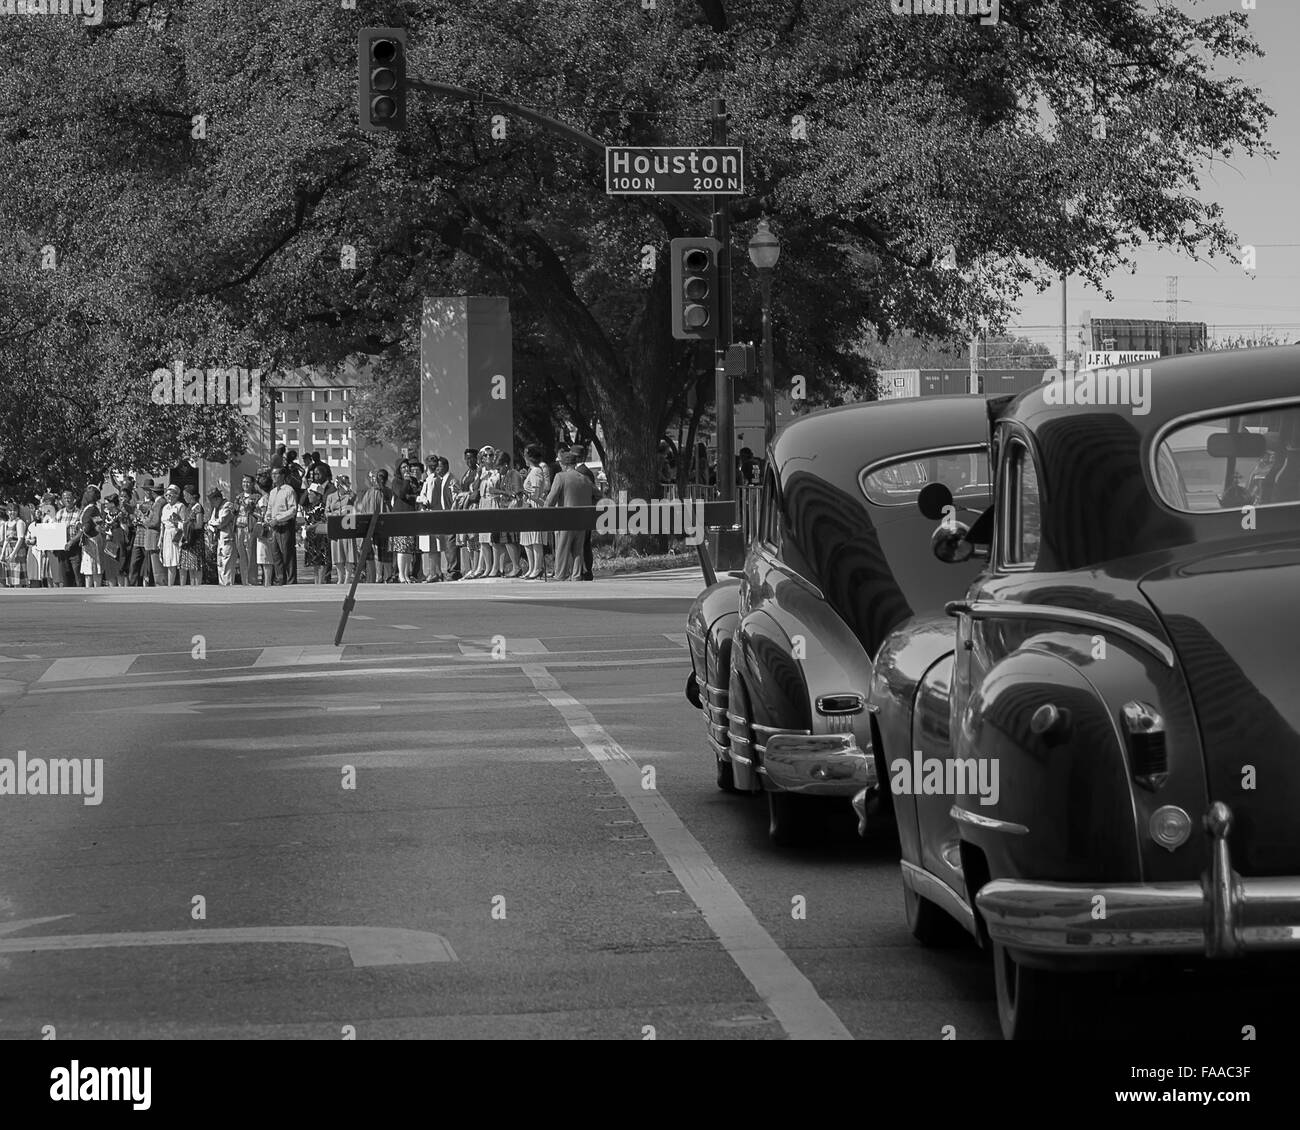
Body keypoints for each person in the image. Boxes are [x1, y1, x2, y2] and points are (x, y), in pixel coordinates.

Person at [546, 448, 596, 581]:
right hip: (582, 520)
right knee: (578, 550)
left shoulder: (560, 477)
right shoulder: (585, 478)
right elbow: (599, 495)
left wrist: (545, 513)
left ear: (563, 464)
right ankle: (576, 575)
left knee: (562, 548)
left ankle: (560, 575)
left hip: (565, 519)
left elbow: (551, 500)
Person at [488, 449, 524, 577]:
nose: (498, 471)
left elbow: (516, 493)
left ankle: (516, 566)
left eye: (499, 468)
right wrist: (503, 492)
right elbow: (492, 490)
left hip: (512, 510)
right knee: (506, 539)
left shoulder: (514, 474)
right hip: (504, 509)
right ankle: (514, 566)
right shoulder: (503, 477)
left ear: (506, 465)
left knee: (511, 540)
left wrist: (504, 493)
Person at [418, 457, 453, 582]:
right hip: (433, 512)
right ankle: (436, 571)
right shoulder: (432, 479)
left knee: (432, 545)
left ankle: (434, 572)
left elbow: (431, 499)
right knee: (434, 545)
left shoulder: (433, 480)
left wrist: (422, 500)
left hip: (431, 512)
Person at [519, 444, 551, 580]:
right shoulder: (531, 471)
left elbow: (537, 493)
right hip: (528, 506)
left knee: (535, 539)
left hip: (534, 506)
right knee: (527, 539)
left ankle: (537, 567)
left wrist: (524, 492)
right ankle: (531, 567)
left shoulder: (536, 471)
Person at [465, 445, 498, 578]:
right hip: (483, 503)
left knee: (494, 539)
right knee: (483, 539)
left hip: (493, 502)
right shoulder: (481, 471)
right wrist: (479, 474)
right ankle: (486, 568)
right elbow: (475, 488)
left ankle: (496, 567)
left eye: (491, 455)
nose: (488, 457)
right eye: (485, 455)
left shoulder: (497, 471)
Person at [265, 466, 300, 585]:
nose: (273, 476)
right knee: (276, 554)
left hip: (285, 525)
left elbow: (293, 509)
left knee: (287, 554)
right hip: (274, 526)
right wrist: (267, 518)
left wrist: (278, 519)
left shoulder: (288, 490)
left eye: (276, 474)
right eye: (272, 474)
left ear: (283, 476)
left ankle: (290, 580)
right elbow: (269, 508)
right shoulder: (273, 492)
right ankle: (280, 579)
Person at [128, 479, 163, 586]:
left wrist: (144, 520)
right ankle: (132, 585)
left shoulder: (155, 503)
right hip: (139, 536)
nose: (148, 492)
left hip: (148, 535)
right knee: (134, 563)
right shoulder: (139, 502)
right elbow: (134, 515)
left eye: (150, 490)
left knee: (147, 566)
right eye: (146, 490)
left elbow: (154, 520)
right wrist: (134, 519)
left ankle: (148, 584)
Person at [570, 445, 598, 580]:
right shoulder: (584, 471)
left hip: (583, 512)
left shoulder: (582, 472)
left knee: (584, 543)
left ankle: (586, 570)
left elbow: (593, 493)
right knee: (584, 543)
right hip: (585, 511)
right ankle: (584, 570)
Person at [452, 448, 478, 578]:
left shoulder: (478, 472)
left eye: (471, 458)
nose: (469, 460)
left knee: (475, 538)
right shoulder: (467, 473)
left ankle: (477, 567)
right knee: (468, 540)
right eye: (467, 458)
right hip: (465, 507)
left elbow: (475, 492)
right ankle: (471, 567)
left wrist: (465, 495)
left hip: (474, 507)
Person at [326, 475, 357, 584]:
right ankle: (340, 578)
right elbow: (326, 513)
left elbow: (354, 497)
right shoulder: (331, 497)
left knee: (349, 553)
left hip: (348, 525)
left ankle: (348, 578)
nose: (346, 485)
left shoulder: (350, 496)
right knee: (337, 554)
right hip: (336, 526)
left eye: (347, 483)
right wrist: (336, 514)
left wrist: (347, 489)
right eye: (344, 483)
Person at [301, 483, 331, 584]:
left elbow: (323, 520)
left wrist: (311, 527)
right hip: (311, 537)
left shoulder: (322, 507)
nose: (309, 496)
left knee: (322, 560)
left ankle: (321, 581)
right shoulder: (309, 508)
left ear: (318, 495)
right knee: (314, 562)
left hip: (321, 537)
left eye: (311, 494)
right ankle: (316, 581)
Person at [206, 488, 235, 585]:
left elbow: (221, 522)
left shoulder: (228, 506)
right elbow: (210, 522)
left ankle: (228, 585)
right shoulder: (216, 508)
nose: (211, 504)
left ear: (217, 499)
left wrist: (213, 524)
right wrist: (212, 524)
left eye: (212, 501)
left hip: (228, 539)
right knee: (220, 564)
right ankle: (222, 584)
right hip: (219, 539)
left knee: (227, 565)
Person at [233, 475, 258, 585]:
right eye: (243, 482)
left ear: (252, 484)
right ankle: (244, 580)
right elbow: (234, 511)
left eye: (248, 482)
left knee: (250, 553)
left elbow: (259, 512)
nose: (245, 484)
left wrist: (251, 509)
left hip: (249, 527)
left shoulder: (256, 496)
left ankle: (252, 579)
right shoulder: (239, 497)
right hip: (239, 527)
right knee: (241, 554)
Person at [159, 483, 186, 586]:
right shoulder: (165, 507)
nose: (168, 497)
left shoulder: (180, 506)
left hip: (177, 533)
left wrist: (176, 522)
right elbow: (162, 524)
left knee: (179, 560)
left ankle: (182, 585)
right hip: (167, 534)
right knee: (169, 561)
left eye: (171, 495)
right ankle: (170, 585)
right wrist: (160, 539)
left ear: (176, 495)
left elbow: (183, 523)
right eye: (167, 495)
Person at [77, 486, 104, 588]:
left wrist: (81, 527)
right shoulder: (92, 508)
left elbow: (87, 526)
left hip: (91, 539)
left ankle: (93, 588)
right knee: (92, 567)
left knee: (92, 567)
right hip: (93, 538)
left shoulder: (91, 509)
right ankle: (93, 587)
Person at [100, 496, 129, 587]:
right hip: (109, 540)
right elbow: (102, 526)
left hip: (118, 539)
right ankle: (112, 588)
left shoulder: (121, 513)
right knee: (110, 567)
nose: (105, 504)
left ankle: (121, 588)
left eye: (107, 503)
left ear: (112, 503)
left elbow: (125, 528)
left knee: (119, 565)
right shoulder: (105, 514)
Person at [0, 499, 27, 588]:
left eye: (15, 510)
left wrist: (13, 554)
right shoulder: (6, 524)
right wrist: (2, 554)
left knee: (18, 579)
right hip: (9, 550)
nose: (12, 512)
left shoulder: (19, 522)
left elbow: (20, 539)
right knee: (11, 579)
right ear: (7, 512)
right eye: (10, 510)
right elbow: (6, 540)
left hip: (18, 551)